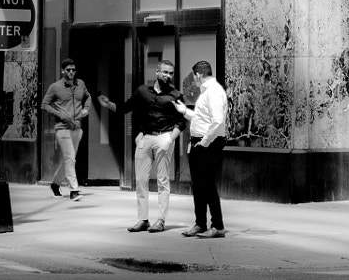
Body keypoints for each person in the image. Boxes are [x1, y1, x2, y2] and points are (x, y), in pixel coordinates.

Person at [98, 59, 186, 233]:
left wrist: (170, 139)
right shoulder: (142, 91)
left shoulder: (176, 95)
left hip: (165, 137)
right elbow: (125, 108)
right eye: (165, 72)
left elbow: (180, 123)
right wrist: (108, 104)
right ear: (157, 72)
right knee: (140, 180)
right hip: (145, 138)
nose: (168, 76)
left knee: (162, 180)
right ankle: (143, 219)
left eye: (171, 73)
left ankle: (160, 220)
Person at [175, 60, 228, 239]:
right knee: (199, 185)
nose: (194, 80)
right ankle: (200, 223)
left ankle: (217, 226)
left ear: (198, 74)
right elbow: (202, 118)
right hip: (201, 142)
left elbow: (218, 121)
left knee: (207, 185)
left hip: (207, 143)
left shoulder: (213, 92)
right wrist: (184, 111)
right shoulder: (208, 92)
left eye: (194, 76)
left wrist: (204, 142)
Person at [41, 58, 91, 201]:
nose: (71, 72)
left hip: (77, 128)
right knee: (70, 158)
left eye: (73, 70)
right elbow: (44, 105)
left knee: (69, 160)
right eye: (68, 70)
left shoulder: (80, 84)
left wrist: (86, 109)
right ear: (62, 71)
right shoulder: (55, 87)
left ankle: (55, 184)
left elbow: (88, 97)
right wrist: (60, 114)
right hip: (62, 129)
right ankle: (74, 190)